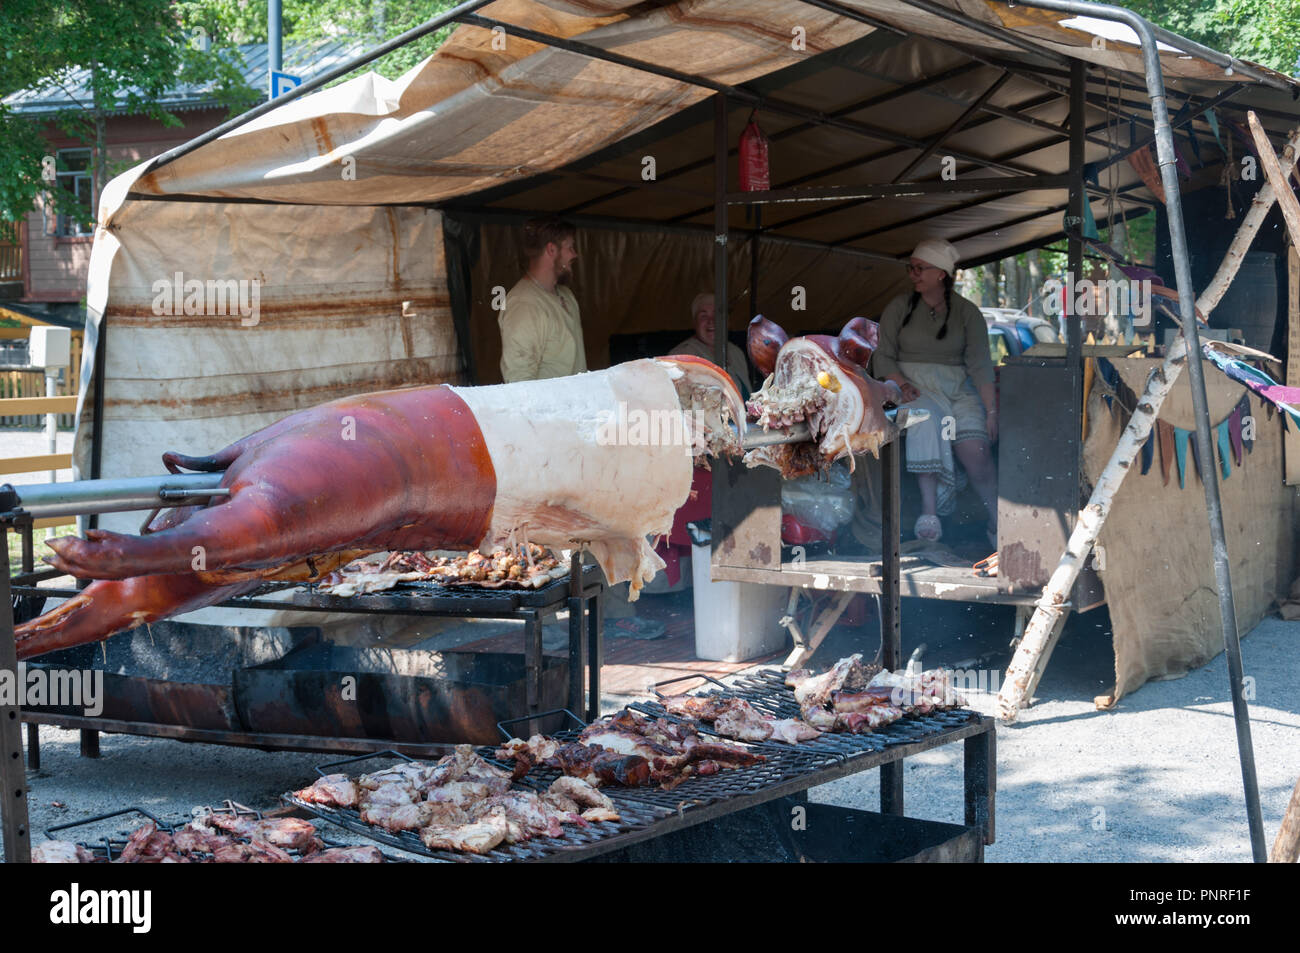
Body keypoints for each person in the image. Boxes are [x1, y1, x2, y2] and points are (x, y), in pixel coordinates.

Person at [870, 239, 998, 546]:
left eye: (920, 268)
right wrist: (901, 384)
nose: (912, 274)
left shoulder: (968, 313)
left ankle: (999, 520)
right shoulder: (898, 308)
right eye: (910, 268)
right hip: (912, 387)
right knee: (927, 419)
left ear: (941, 273)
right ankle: (930, 514)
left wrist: (992, 410)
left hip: (958, 389)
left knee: (975, 450)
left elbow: (980, 364)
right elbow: (882, 355)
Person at [499, 217, 586, 382]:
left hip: (576, 406)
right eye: (570, 247)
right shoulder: (524, 304)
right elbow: (520, 381)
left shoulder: (566, 295)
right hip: (552, 408)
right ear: (552, 250)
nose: (575, 254)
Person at [668, 292, 750, 398]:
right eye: (703, 316)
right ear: (694, 322)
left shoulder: (736, 352)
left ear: (727, 321)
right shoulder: (681, 356)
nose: (711, 321)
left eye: (717, 314)